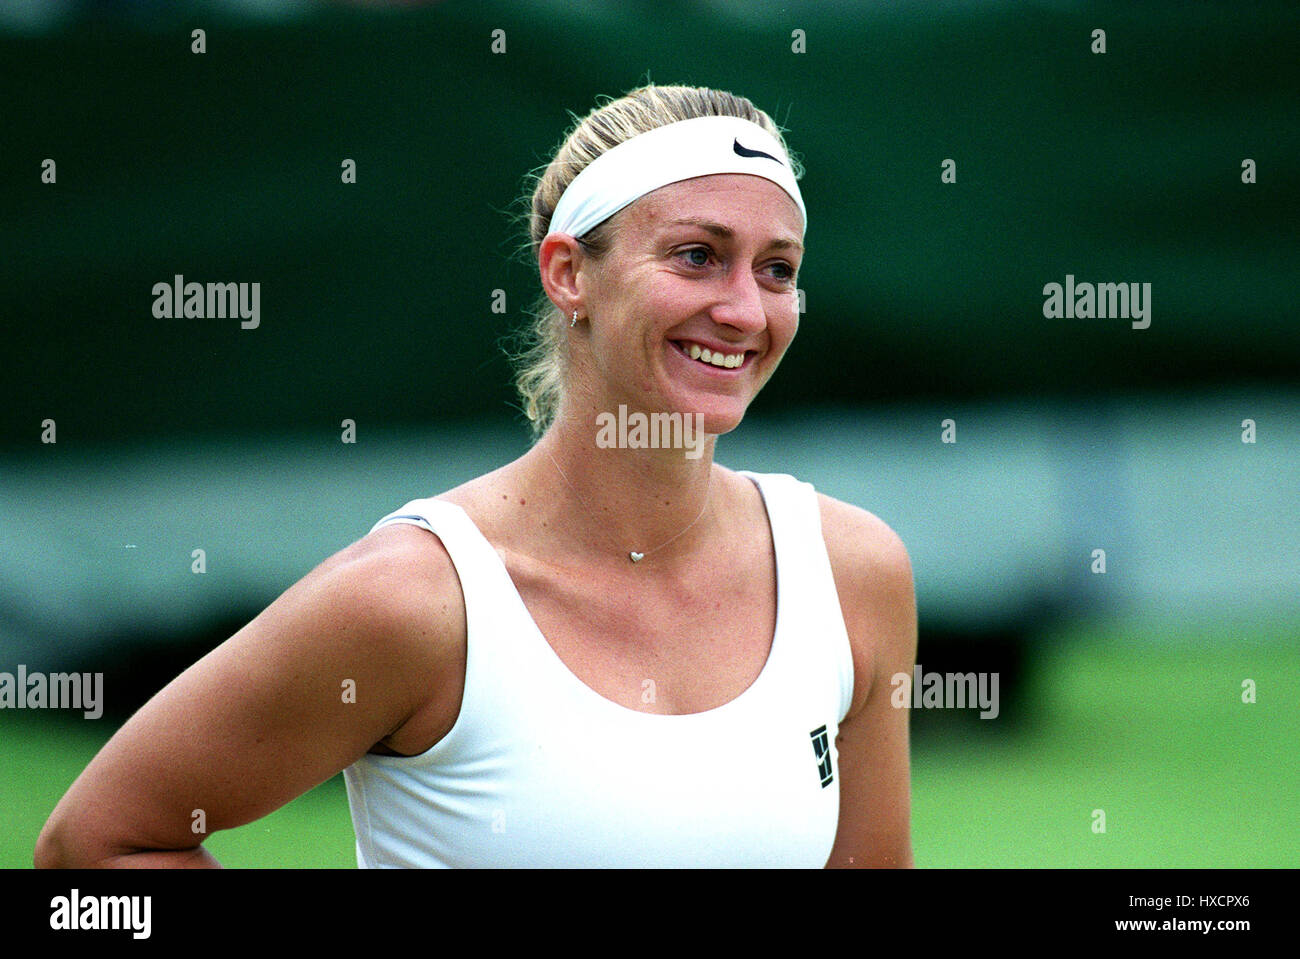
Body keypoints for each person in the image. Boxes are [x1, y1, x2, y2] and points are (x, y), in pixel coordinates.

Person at [35, 83, 916, 869]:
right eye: (695, 255)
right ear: (568, 274)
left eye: (778, 270)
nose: (743, 309)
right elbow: (94, 847)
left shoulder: (853, 570)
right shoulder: (412, 600)